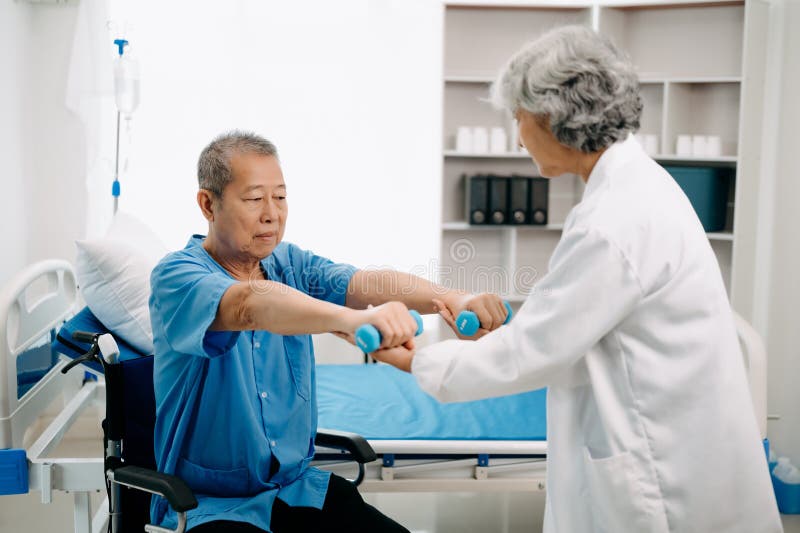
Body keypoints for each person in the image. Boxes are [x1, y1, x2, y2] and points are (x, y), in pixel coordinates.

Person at [373, 26, 782, 532]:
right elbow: (575, 329)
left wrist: (417, 362)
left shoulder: (615, 219)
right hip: (669, 440)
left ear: (552, 116)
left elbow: (533, 353)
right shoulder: (632, 189)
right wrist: (509, 333)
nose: (517, 133)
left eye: (518, 117)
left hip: (664, 474)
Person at [148, 130, 507, 532]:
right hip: (210, 506)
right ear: (207, 204)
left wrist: (452, 298)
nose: (272, 213)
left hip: (296, 490)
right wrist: (349, 321)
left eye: (280, 197)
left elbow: (362, 284)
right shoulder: (177, 276)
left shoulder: (289, 263)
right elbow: (249, 304)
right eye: (253, 199)